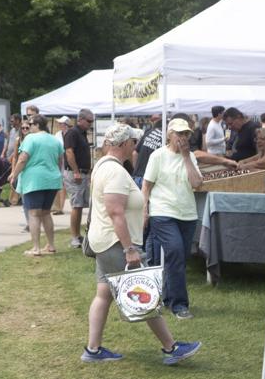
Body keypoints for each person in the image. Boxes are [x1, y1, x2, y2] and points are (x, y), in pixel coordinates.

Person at [82, 122, 202, 365]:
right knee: (145, 293)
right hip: (116, 243)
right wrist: (130, 249)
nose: (135, 146)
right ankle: (171, 348)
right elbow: (116, 212)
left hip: (103, 241)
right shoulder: (115, 171)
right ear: (125, 144)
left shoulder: (104, 166)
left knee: (103, 294)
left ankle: (93, 350)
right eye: (133, 142)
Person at [142, 118, 203, 320]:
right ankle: (180, 305)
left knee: (178, 258)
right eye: (179, 133)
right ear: (169, 135)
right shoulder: (158, 156)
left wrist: (186, 157)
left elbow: (196, 184)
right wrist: (145, 210)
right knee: (175, 252)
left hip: (187, 214)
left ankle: (168, 298)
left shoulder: (191, 156)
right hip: (163, 212)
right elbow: (146, 186)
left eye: (186, 134)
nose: (183, 138)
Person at [9, 114, 63, 256]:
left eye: (31, 124)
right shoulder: (55, 140)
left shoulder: (30, 138)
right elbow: (60, 161)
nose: (28, 127)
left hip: (34, 180)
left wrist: (14, 174)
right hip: (52, 179)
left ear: (37, 125)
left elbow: (23, 158)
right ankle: (51, 245)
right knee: (46, 213)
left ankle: (36, 248)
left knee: (34, 214)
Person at [63, 109, 94, 249]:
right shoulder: (72, 132)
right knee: (76, 205)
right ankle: (74, 237)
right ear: (80, 119)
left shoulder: (82, 133)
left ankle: (78, 235)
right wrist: (76, 171)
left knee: (80, 205)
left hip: (83, 173)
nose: (90, 124)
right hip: (75, 174)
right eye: (89, 121)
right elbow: (69, 152)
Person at [132, 113, 163, 187]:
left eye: (154, 120)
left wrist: (136, 170)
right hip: (151, 180)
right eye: (152, 120)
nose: (152, 121)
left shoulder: (148, 132)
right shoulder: (166, 138)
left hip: (138, 177)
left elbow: (135, 153)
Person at [51, 116, 72, 215]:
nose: (60, 125)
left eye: (62, 123)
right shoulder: (57, 134)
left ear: (67, 125)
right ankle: (59, 206)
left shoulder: (71, 134)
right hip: (59, 161)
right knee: (60, 183)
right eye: (59, 123)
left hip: (69, 161)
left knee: (67, 184)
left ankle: (62, 206)